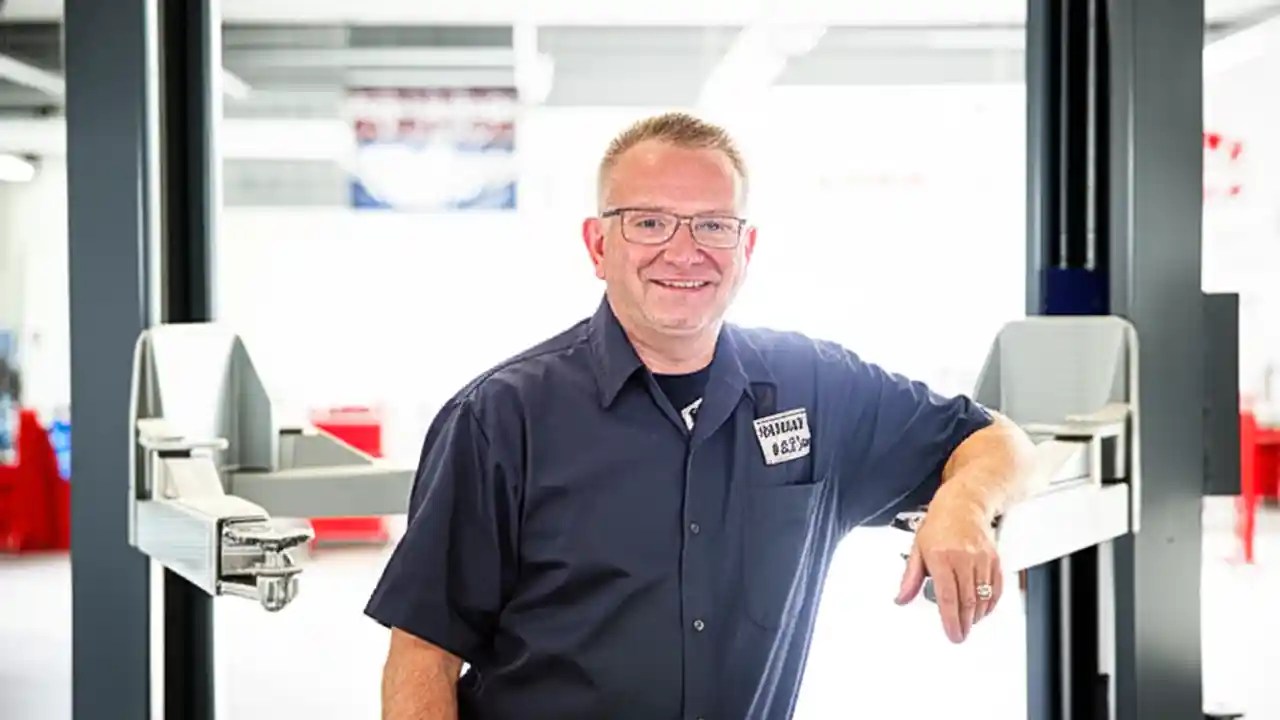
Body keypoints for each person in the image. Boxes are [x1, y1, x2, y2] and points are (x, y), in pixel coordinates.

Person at [366, 111, 1040, 720]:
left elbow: (996, 439)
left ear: (745, 249)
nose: (684, 252)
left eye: (713, 224)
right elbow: (422, 658)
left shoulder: (815, 387)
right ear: (598, 247)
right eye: (649, 222)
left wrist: (965, 502)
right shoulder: (501, 416)